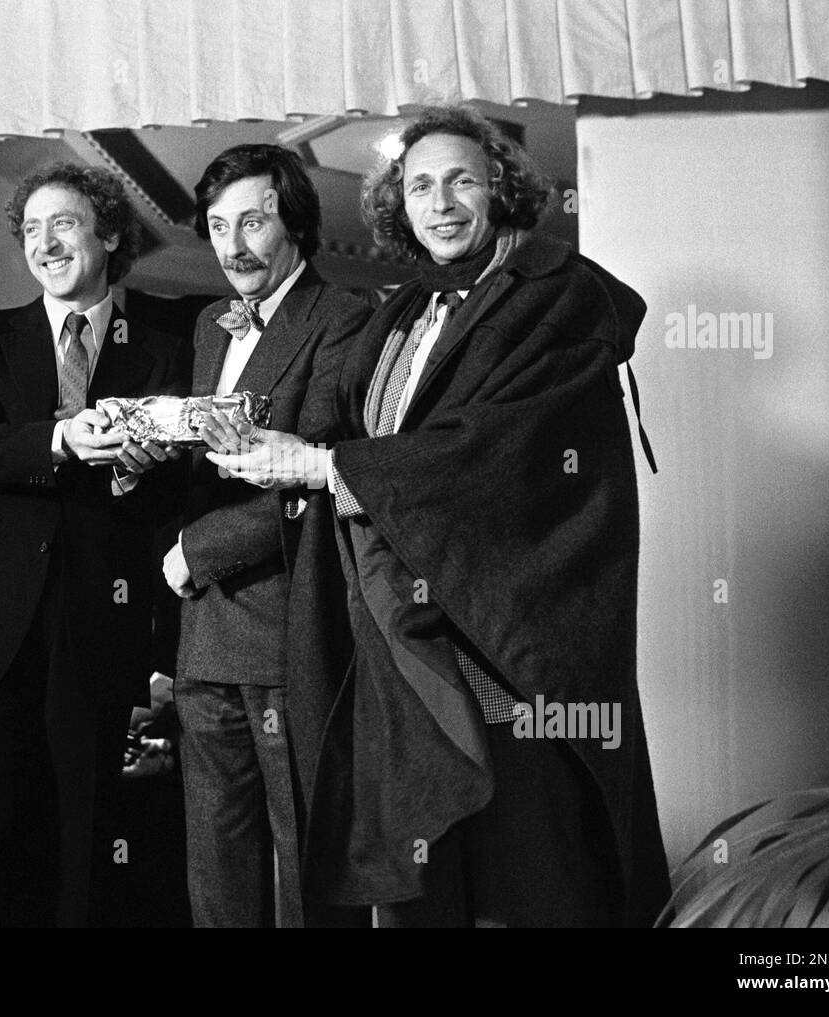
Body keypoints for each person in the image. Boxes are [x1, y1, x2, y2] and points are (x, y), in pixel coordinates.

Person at [208, 105, 671, 927]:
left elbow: (500, 450)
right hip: (403, 642)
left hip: (508, 641)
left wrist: (324, 466)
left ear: (501, 188)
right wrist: (276, 444)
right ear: (399, 204)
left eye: (462, 179)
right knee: (429, 881)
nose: (441, 201)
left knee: (535, 878)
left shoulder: (555, 295)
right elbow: (349, 426)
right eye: (420, 185)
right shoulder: (396, 313)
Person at [0, 161, 189, 927]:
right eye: (30, 228)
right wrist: (62, 440)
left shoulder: (168, 336)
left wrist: (138, 473)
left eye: (61, 222)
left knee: (96, 823)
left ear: (107, 233)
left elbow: (185, 483)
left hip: (112, 611)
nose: (44, 241)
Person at [161, 144, 370, 927]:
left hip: (289, 629)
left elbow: (312, 478)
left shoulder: (344, 318)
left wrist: (194, 553)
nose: (231, 245)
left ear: (297, 223)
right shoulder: (209, 327)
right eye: (217, 226)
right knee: (217, 864)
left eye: (252, 220)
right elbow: (206, 469)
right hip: (203, 636)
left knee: (307, 865)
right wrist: (142, 463)